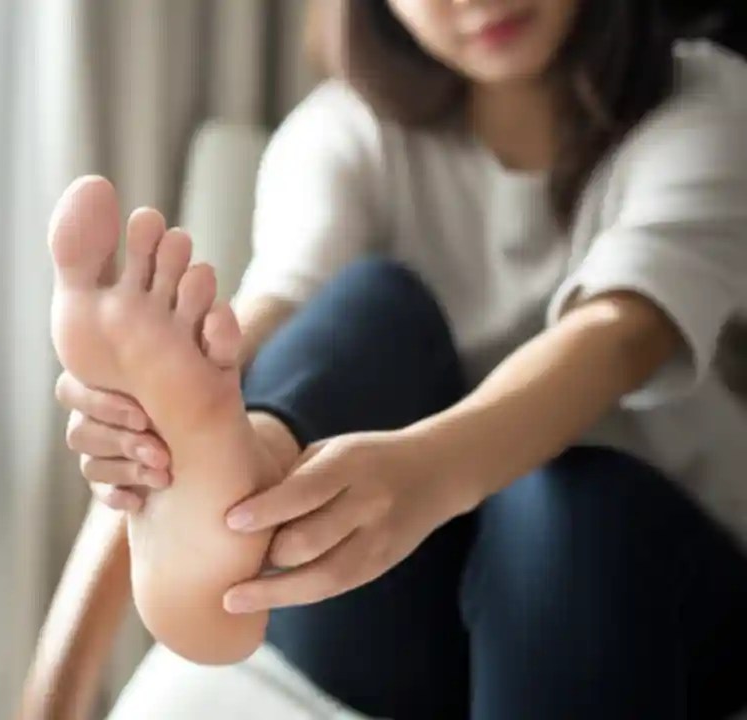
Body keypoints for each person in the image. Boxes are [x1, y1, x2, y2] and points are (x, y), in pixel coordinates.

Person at [47, 0, 747, 716]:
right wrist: (163, 444)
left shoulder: (704, 107)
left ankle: (254, 495)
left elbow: (620, 337)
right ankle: (257, 466)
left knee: (566, 502)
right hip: (392, 609)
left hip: (639, 595)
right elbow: (249, 341)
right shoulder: (343, 133)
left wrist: (426, 473)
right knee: (362, 306)